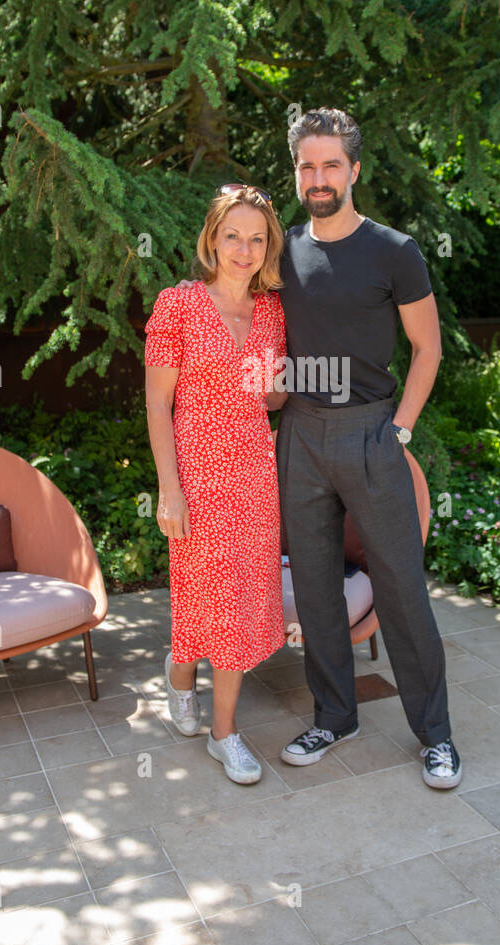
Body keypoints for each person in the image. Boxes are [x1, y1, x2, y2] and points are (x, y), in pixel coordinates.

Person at [276, 108, 462, 789]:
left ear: (353, 170)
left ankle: (435, 736)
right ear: (296, 173)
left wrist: (401, 428)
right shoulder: (282, 250)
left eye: (330, 165)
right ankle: (334, 715)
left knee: (402, 589)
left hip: (371, 431)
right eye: (306, 165)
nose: (318, 178)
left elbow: (428, 347)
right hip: (298, 434)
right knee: (316, 586)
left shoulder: (393, 251)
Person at [144, 185, 288, 784]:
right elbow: (157, 407)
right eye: (233, 235)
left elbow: (273, 399)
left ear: (268, 247)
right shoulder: (178, 305)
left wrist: (281, 379)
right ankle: (180, 675)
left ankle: (224, 733)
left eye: (257, 239)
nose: (244, 248)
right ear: (212, 239)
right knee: (201, 593)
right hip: (197, 476)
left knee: (238, 600)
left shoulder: (273, 312)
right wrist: (168, 489)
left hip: (255, 471)